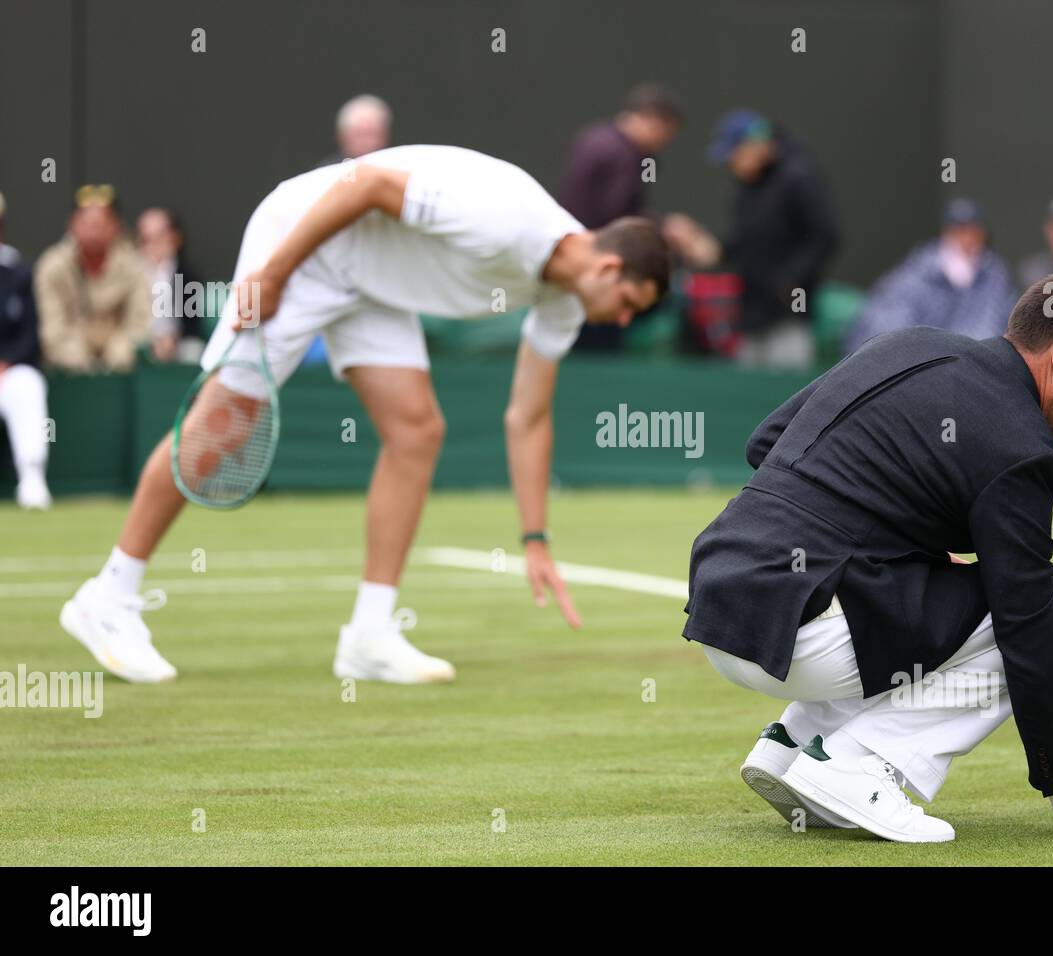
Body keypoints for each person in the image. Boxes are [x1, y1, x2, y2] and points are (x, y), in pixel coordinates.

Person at [59, 145, 669, 684]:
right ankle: (108, 596)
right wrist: (273, 273)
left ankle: (370, 636)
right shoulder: (508, 218)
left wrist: (535, 540)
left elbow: (528, 417)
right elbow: (366, 184)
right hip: (305, 242)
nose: (620, 320)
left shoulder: (562, 301)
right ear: (611, 268)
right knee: (223, 426)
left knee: (416, 431)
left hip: (374, 285)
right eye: (627, 304)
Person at [682, 271, 1053, 842]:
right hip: (800, 631)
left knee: (933, 582)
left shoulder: (907, 343)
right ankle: (858, 766)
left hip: (720, 604)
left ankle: (792, 749)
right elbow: (1029, 626)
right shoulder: (1021, 448)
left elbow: (766, 442)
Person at [663, 109, 839, 370]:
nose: (731, 163)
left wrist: (791, 281)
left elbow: (826, 235)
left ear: (756, 145)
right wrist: (714, 250)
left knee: (787, 395)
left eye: (734, 154)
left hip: (788, 314)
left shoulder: (799, 176)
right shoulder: (747, 187)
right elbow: (745, 240)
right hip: (750, 313)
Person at [559, 84, 682, 351]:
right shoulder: (626, 154)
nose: (664, 143)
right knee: (600, 359)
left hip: (575, 270)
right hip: (603, 277)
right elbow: (616, 220)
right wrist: (662, 231)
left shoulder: (594, 137)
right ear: (653, 120)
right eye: (666, 134)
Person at [844, 198, 1017, 354]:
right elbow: (883, 325)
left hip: (976, 366)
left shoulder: (994, 274)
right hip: (925, 367)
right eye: (958, 231)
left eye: (973, 231)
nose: (967, 239)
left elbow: (1002, 327)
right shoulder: (918, 271)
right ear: (945, 233)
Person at [34, 185, 153, 372]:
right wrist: (81, 363)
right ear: (72, 225)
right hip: (69, 366)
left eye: (101, 224)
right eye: (87, 223)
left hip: (120, 362)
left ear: (116, 227)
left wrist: (117, 357)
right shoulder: (53, 266)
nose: (94, 232)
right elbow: (52, 330)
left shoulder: (134, 266)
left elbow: (139, 325)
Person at [0, 190, 52, 509]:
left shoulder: (19, 272)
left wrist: (6, 363)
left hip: (10, 371)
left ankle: (32, 479)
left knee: (28, 384)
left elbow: (31, 336)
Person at [136, 207, 207, 363]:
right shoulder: (132, 276)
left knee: (192, 351)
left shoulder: (188, 276)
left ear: (175, 239)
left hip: (177, 343)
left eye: (159, 237)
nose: (153, 245)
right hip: (142, 340)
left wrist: (172, 340)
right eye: (146, 239)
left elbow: (192, 323)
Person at [317, 94, 393, 167]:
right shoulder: (327, 171)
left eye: (373, 134)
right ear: (342, 136)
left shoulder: (396, 166)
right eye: (360, 134)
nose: (366, 142)